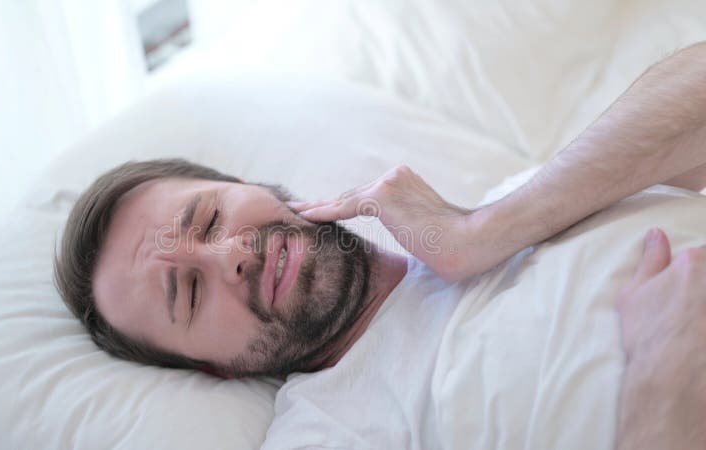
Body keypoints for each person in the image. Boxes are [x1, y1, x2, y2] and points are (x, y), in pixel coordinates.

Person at [54, 42, 706, 447]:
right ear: (213, 369)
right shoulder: (329, 432)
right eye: (189, 290)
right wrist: (662, 398)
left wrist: (486, 232)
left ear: (258, 186)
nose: (231, 256)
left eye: (208, 220)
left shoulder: (532, 195)